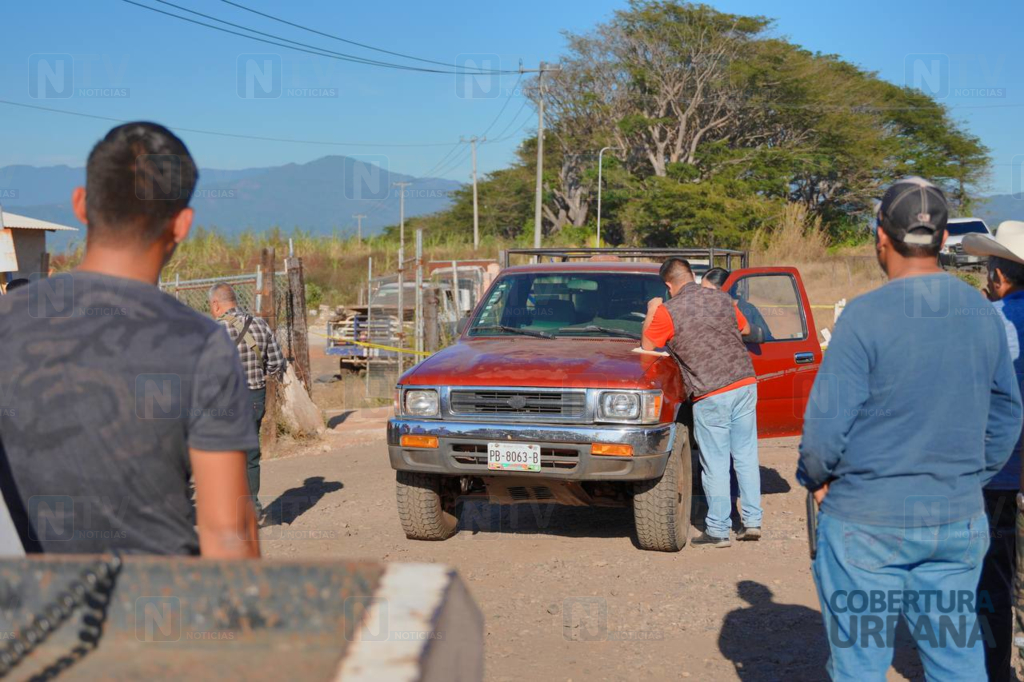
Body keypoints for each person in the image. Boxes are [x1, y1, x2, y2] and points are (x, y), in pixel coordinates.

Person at [0, 122, 260, 558]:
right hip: (156, 612)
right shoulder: (202, 344)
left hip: (22, 613)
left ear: (81, 204)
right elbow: (228, 532)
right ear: (182, 224)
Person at [798, 178, 1021, 679]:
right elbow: (1007, 415)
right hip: (955, 517)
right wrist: (969, 477)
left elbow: (824, 429)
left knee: (860, 663)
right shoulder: (984, 317)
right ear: (944, 242)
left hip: (866, 521)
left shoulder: (862, 317)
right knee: (957, 660)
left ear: (881, 236)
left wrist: (819, 478)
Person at [642, 258, 761, 547]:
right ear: (693, 276)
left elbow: (647, 346)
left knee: (716, 462)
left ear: (669, 286)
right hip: (745, 383)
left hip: (712, 392)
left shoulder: (668, 311)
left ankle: (719, 530)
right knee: (745, 455)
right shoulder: (722, 299)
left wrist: (651, 310)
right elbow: (745, 330)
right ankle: (752, 522)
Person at [962, 220, 1024, 682]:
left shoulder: (994, 325)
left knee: (993, 587)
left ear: (999, 277)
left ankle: (995, 674)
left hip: (999, 477)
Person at [209, 283, 285, 522]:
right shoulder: (260, 325)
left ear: (216, 304)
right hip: (254, 397)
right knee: (250, 456)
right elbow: (276, 363)